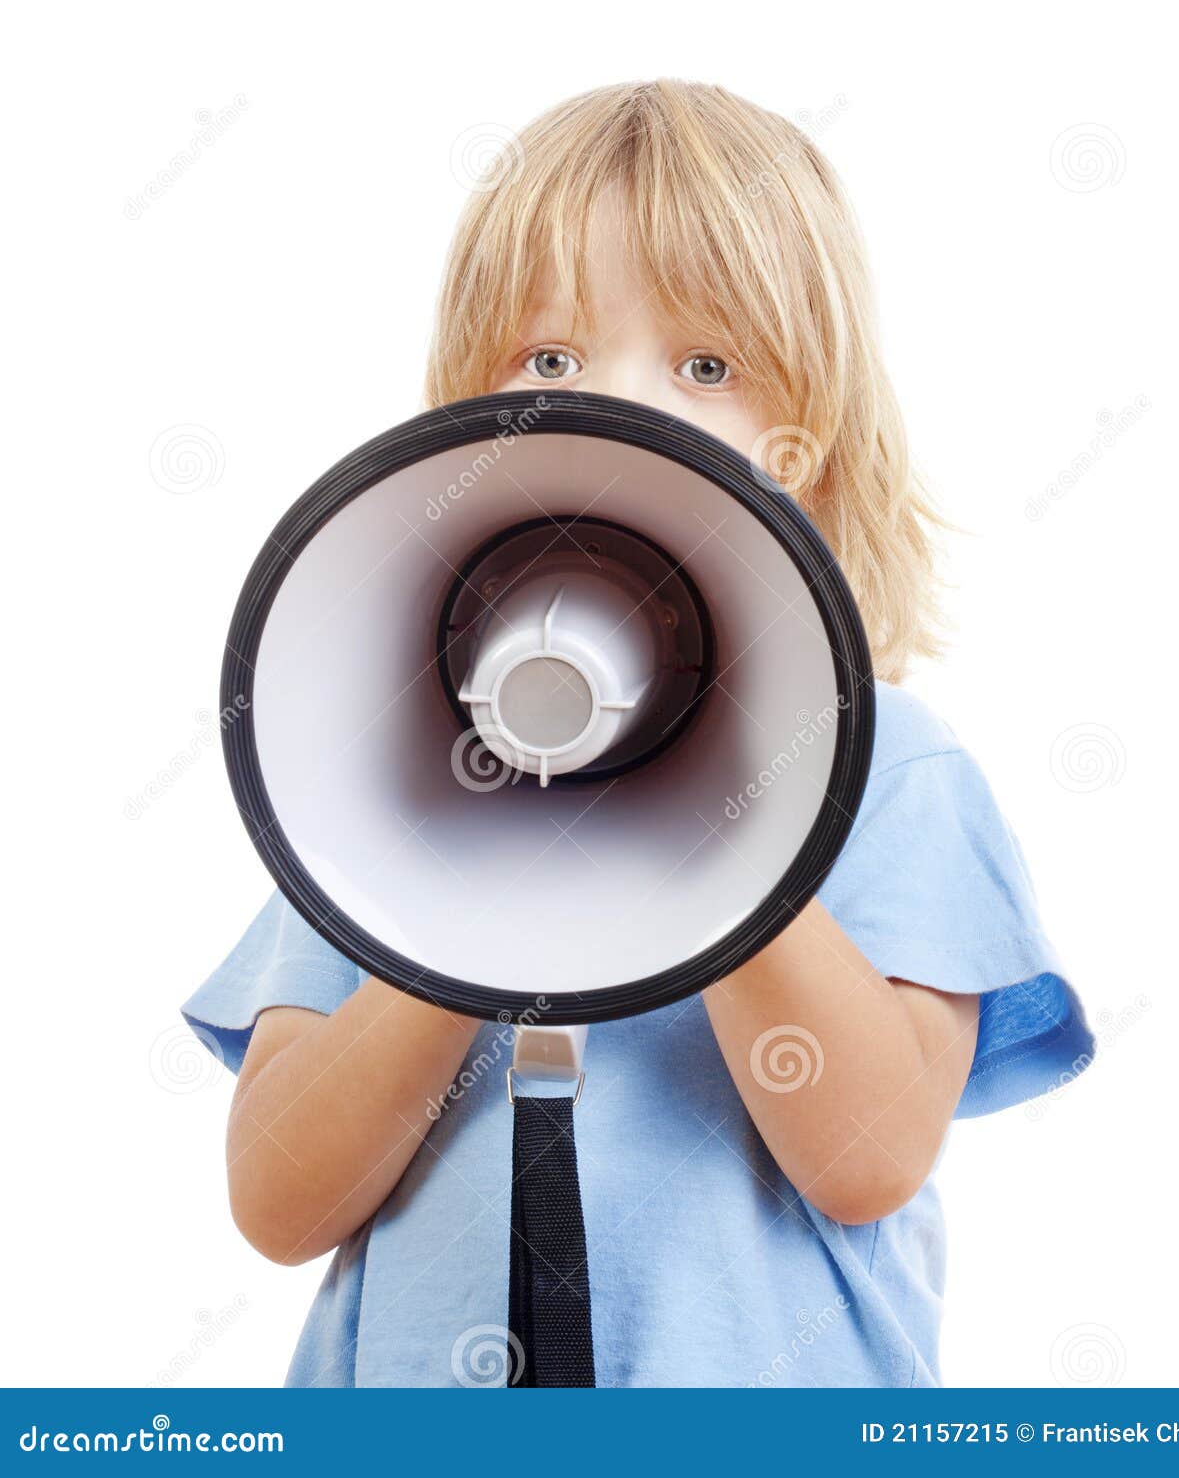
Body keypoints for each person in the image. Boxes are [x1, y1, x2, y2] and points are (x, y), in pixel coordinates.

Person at [184, 80, 1092, 1388]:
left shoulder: (895, 770)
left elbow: (868, 1159)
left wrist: (706, 813)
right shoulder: (377, 778)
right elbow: (279, 1200)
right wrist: (459, 895)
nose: (616, 411)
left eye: (706, 367)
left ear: (806, 439)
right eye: (550, 361)